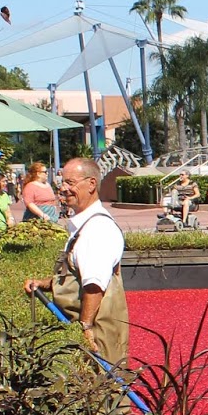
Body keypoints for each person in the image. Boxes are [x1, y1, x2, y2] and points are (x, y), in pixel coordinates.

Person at [23, 158, 129, 369]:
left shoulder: (97, 230)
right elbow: (77, 274)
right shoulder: (83, 225)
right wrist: (46, 283)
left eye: (70, 182)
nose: (64, 188)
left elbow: (94, 286)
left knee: (105, 391)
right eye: (63, 182)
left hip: (98, 331)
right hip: (84, 326)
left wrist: (85, 328)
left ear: (91, 184)